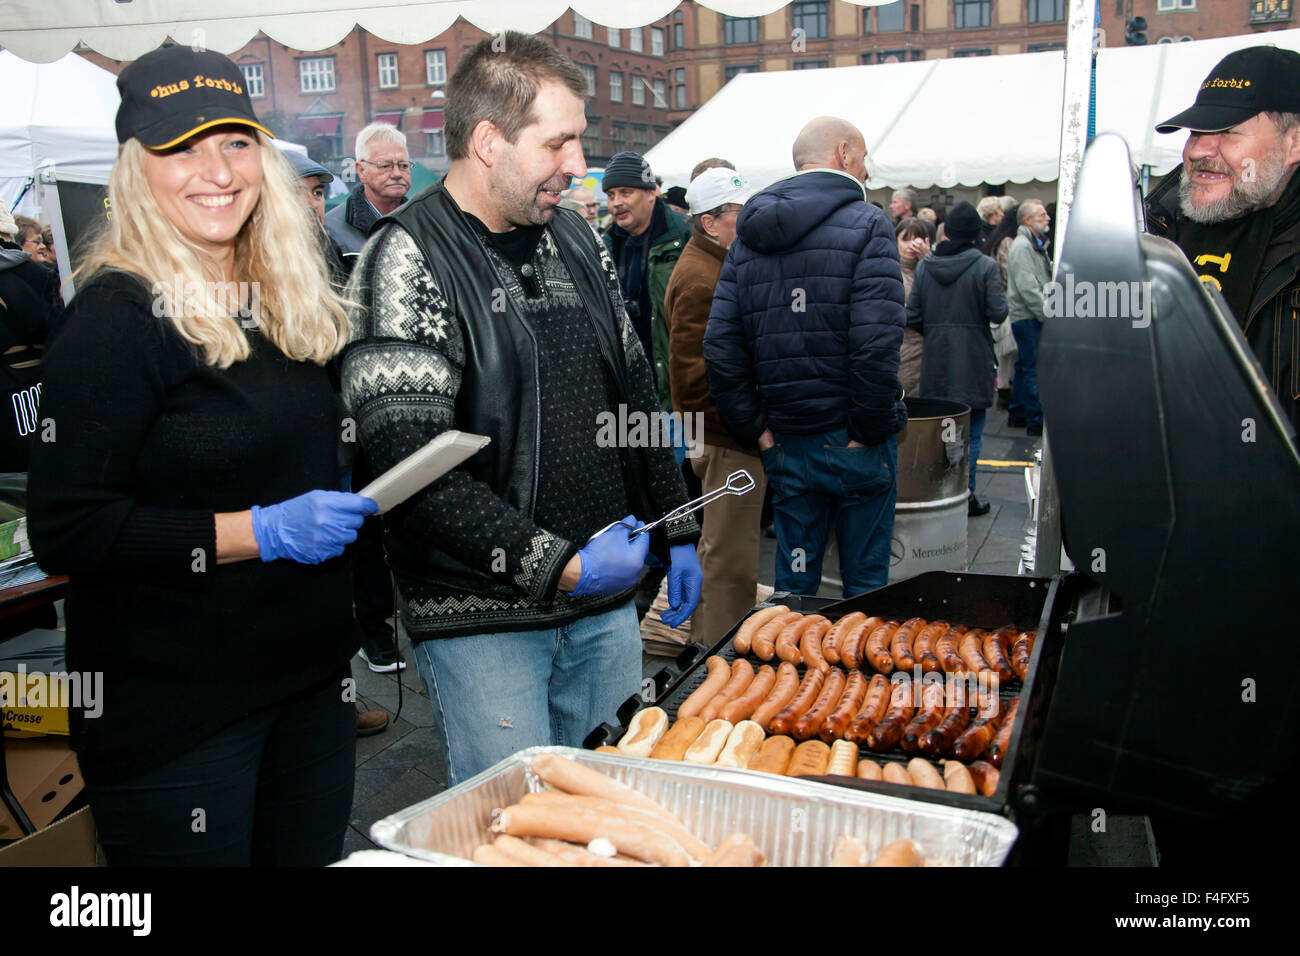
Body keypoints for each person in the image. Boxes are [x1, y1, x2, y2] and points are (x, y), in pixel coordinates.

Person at [25, 45, 376, 866]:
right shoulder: (116, 319)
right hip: (179, 716)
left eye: (234, 142)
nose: (215, 171)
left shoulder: (279, 300)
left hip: (308, 687)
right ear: (135, 169)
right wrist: (258, 530)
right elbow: (69, 530)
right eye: (180, 148)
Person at [340, 32, 701, 786]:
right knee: (516, 818)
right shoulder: (403, 255)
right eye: (560, 143)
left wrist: (682, 530)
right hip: (482, 620)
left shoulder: (575, 235)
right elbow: (410, 467)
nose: (577, 166)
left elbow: (635, 390)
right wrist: (558, 566)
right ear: (488, 141)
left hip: (606, 605)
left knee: (608, 803)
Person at [705, 115, 906, 598]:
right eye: (862, 158)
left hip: (787, 440)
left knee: (795, 592)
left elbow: (720, 347)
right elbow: (876, 343)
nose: (865, 172)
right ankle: (860, 677)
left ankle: (793, 675)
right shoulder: (869, 223)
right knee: (865, 590)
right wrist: (868, 430)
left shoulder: (748, 237)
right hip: (850, 437)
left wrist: (758, 429)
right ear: (843, 154)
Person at [283, 148, 391, 739]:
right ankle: (315, 704)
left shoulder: (320, 248)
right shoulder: (256, 261)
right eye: (301, 191)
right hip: (293, 448)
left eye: (319, 193)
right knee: (306, 573)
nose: (313, 204)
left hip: (334, 433)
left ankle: (330, 700)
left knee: (336, 566)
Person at [1146, 46, 1300, 429]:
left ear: (1294, 143)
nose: (1198, 149)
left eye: (1228, 132)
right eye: (1197, 131)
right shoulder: (1157, 231)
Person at [663, 166, 764, 644]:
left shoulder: (716, 263)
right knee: (728, 557)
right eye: (739, 215)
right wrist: (745, 427)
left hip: (724, 435)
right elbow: (691, 381)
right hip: (725, 439)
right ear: (710, 222)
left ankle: (714, 650)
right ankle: (714, 658)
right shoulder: (702, 278)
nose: (747, 224)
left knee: (727, 550)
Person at [906, 202, 1007, 516]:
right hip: (973, 357)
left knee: (939, 430)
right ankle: (967, 495)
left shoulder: (926, 266)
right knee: (972, 431)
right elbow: (998, 311)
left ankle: (941, 493)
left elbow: (913, 314)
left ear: (946, 231)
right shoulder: (985, 266)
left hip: (936, 359)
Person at [603, 150, 691, 413]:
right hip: (628, 392)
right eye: (610, 195)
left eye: (625, 192)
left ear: (651, 192)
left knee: (681, 454)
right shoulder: (604, 245)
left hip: (679, 393)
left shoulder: (685, 237)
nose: (616, 202)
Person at [324, 122, 411, 268]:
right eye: (385, 166)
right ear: (361, 170)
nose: (397, 173)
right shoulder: (332, 231)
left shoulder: (423, 222)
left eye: (403, 165)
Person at [1005, 200, 1052, 437]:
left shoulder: (1029, 245)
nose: (1048, 218)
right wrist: (1046, 314)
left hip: (1025, 314)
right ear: (1028, 220)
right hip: (1027, 315)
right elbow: (1028, 287)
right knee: (1032, 367)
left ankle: (1019, 413)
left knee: (1025, 366)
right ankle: (1034, 419)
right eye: (1042, 215)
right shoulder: (1024, 247)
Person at [982, 203, 1021, 410]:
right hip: (1006, 301)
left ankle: (1004, 391)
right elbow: (1008, 273)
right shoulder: (1007, 242)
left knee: (1004, 353)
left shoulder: (996, 239)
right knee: (1008, 353)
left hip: (998, 299)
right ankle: (1006, 392)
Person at [895, 217, 930, 397]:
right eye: (905, 239)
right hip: (902, 347)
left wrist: (928, 259)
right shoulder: (890, 269)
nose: (911, 246)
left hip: (928, 348)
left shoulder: (929, 267)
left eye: (916, 239)